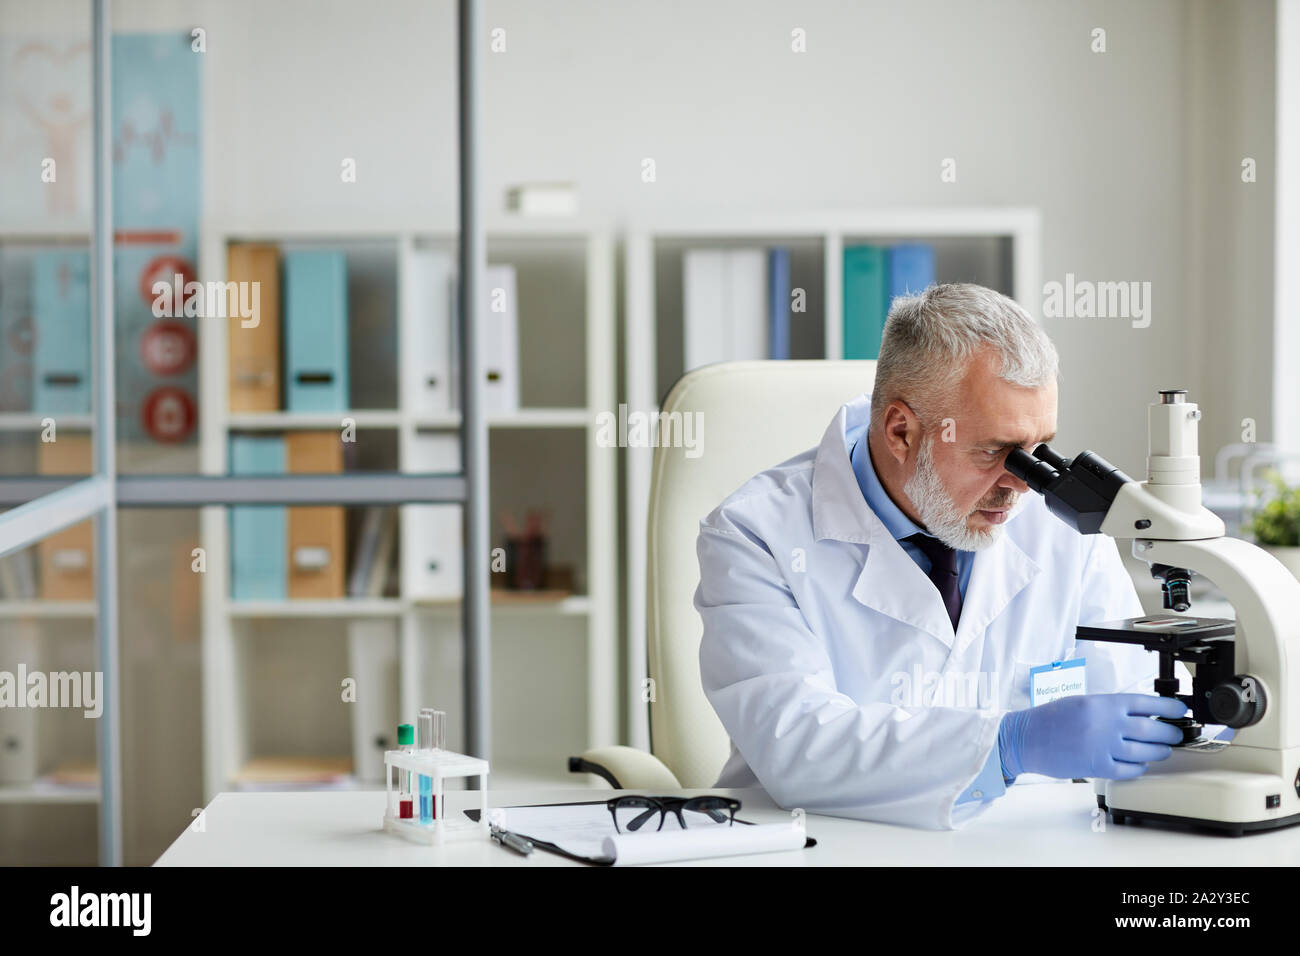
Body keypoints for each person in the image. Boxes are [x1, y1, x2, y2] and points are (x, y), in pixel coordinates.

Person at [694, 283, 1187, 829]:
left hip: (1025, 843)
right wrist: (1008, 745)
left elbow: (1138, 692)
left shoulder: (1061, 525)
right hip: (824, 844)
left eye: (1039, 450)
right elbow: (798, 747)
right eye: (994, 452)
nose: (1021, 485)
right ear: (901, 431)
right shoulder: (755, 533)